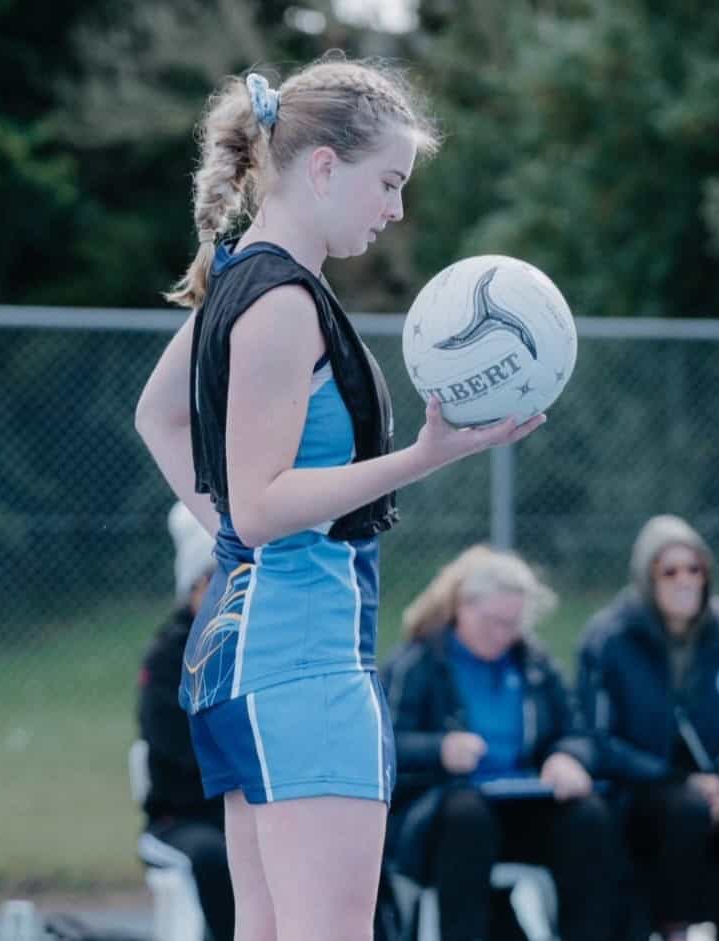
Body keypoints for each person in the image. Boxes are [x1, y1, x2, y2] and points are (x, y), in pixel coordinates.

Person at [134, 54, 545, 941]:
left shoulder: (240, 276)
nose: (394, 208)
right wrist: (428, 454)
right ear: (324, 167)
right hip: (304, 654)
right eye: (387, 181)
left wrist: (233, 539)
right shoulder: (281, 300)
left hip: (248, 648)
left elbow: (157, 418)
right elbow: (267, 499)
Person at [382, 545, 620, 941]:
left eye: (513, 623)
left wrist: (566, 757)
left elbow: (579, 732)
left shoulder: (534, 664)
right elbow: (384, 744)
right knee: (467, 816)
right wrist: (438, 749)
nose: (503, 634)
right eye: (493, 621)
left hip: (521, 807)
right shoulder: (418, 663)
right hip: (442, 817)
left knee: (587, 815)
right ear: (462, 607)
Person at [575, 514, 719, 941]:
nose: (684, 580)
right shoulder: (610, 638)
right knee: (685, 810)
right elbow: (598, 735)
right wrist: (675, 778)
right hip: (644, 785)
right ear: (646, 577)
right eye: (669, 570)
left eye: (695, 569)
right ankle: (675, 931)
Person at [136, 503, 234, 941]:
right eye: (212, 580)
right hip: (183, 816)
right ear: (193, 589)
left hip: (246, 805)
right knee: (213, 856)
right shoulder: (166, 659)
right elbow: (172, 743)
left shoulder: (249, 647)